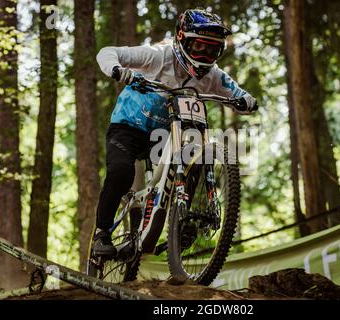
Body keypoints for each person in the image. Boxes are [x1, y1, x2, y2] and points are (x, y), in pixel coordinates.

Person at [92, 8, 258, 257]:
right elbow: (108, 52)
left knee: (195, 157)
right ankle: (102, 233)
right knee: (121, 172)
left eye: (213, 50)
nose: (205, 55)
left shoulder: (213, 75)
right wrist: (117, 70)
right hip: (128, 125)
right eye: (200, 47)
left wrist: (246, 100)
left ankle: (183, 219)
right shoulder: (158, 56)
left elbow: (238, 94)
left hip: (166, 135)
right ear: (181, 38)